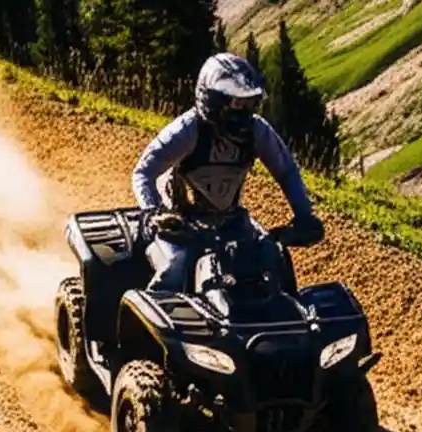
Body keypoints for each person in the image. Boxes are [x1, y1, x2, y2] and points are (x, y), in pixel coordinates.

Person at [131, 53, 324, 292]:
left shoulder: (257, 131)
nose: (244, 113)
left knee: (273, 258)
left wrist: (304, 215)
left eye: (249, 104)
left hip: (232, 221)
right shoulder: (186, 131)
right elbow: (143, 172)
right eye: (236, 104)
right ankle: (146, 325)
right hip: (180, 225)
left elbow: (286, 171)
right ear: (212, 100)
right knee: (175, 267)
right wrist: (153, 213)